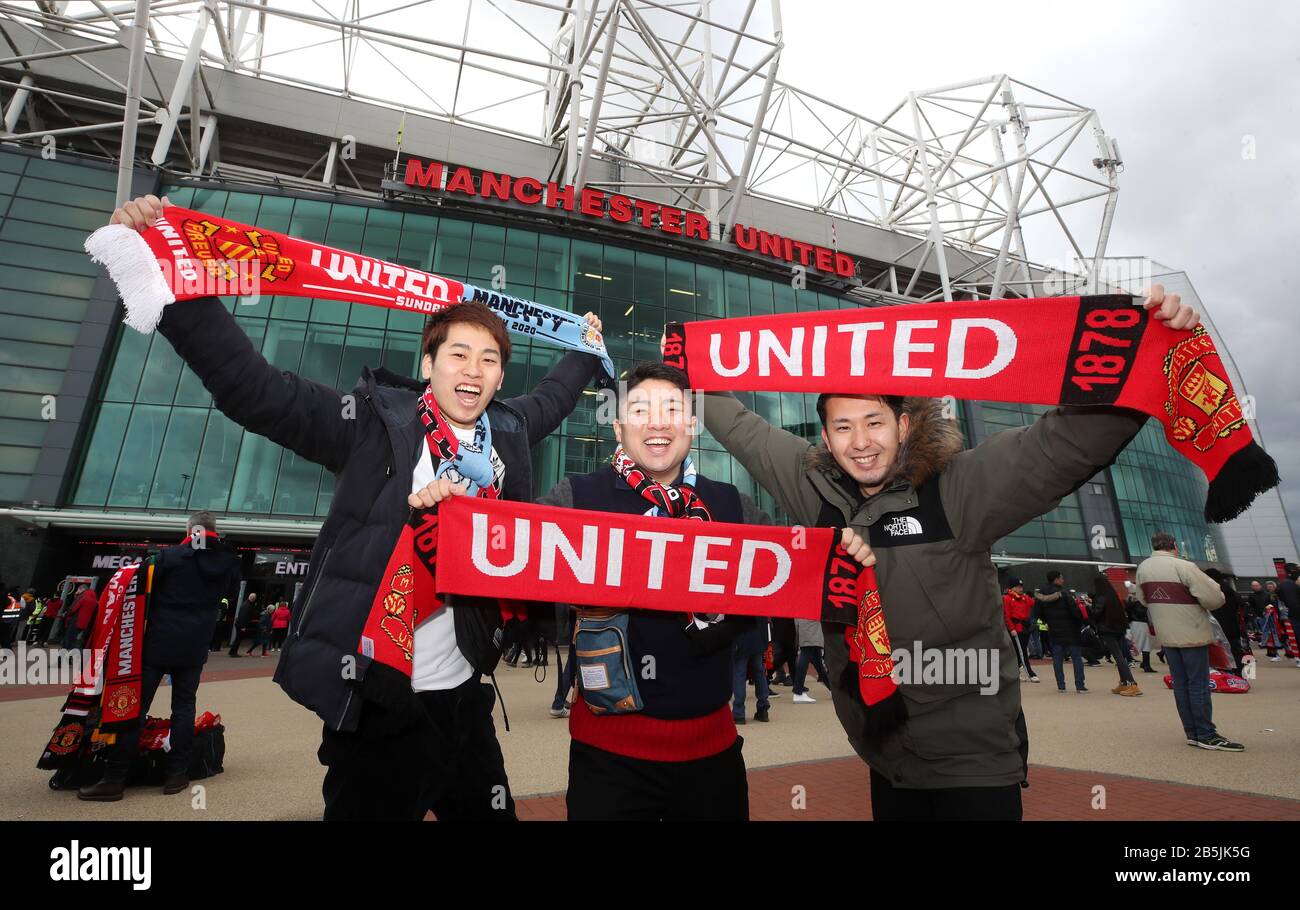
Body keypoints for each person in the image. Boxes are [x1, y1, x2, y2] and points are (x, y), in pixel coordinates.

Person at [112, 193, 607, 821]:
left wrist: (586, 348)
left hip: (462, 700)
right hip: (375, 701)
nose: (473, 370)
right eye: (458, 354)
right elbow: (257, 391)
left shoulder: (506, 433)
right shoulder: (370, 423)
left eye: (489, 361)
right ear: (428, 363)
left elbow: (556, 397)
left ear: (500, 379)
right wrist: (174, 278)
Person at [692, 287, 1198, 820]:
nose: (860, 441)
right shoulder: (812, 485)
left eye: (874, 422)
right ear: (826, 435)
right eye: (843, 427)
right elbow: (743, 430)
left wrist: (1146, 351)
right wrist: (688, 361)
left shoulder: (958, 487)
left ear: (904, 424)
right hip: (885, 754)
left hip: (972, 762)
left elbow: (1063, 444)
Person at [535, 362, 871, 819]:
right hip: (607, 759)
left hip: (711, 758)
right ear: (618, 426)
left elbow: (798, 568)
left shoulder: (733, 506)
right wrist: (450, 511)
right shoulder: (576, 497)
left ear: (692, 422)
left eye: (673, 408)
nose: (657, 422)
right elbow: (506, 547)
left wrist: (843, 548)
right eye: (640, 410)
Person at [78, 511, 242, 801]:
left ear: (191, 529)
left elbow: (140, 591)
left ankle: (114, 778)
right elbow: (225, 596)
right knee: (184, 707)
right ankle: (176, 774)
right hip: (195, 645)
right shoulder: (228, 561)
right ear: (213, 530)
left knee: (135, 707)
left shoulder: (169, 557)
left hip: (158, 641)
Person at [1134, 532, 1242, 752]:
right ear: (1173, 546)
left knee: (1181, 683)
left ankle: (1192, 731)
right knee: (1198, 683)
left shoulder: (1143, 568)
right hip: (1190, 630)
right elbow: (1213, 598)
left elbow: (1142, 599)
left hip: (1167, 633)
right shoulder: (1183, 566)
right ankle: (1206, 733)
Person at [1037, 572, 1088, 693]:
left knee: (1057, 658)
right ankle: (1080, 685)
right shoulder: (1065, 594)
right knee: (1076, 657)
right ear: (1056, 579)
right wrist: (1080, 622)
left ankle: (1061, 686)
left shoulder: (1041, 595)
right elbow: (1075, 612)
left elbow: (1038, 612)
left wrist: (1048, 621)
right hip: (1070, 630)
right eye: (1061, 578)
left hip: (1054, 630)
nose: (1063, 580)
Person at [1090, 575, 1140, 695]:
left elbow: (1096, 612)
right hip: (1118, 628)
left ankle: (1131, 684)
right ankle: (1123, 683)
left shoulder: (1100, 597)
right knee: (1120, 656)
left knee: (1118, 657)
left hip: (1107, 629)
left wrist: (1088, 607)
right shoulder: (1113, 596)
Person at [733, 617, 773, 725]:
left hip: (741, 636)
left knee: (739, 674)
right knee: (759, 672)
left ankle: (739, 713)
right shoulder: (760, 599)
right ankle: (763, 708)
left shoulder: (736, 599)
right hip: (758, 636)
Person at [1002, 578, 1039, 683]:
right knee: (1022, 651)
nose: (1020, 588)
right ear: (1012, 587)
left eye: (1021, 586)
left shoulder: (1025, 598)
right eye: (1018, 586)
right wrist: (1011, 628)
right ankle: (1030, 673)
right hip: (1016, 628)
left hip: (1025, 627)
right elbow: (1007, 615)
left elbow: (1035, 605)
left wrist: (1042, 598)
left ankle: (1015, 673)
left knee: (1019, 652)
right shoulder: (1007, 598)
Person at [792, 617, 832, 702]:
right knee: (806, 655)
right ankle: (798, 692)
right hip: (810, 625)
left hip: (808, 625)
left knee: (818, 661)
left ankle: (831, 688)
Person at [549, 603, 576, 718]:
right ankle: (558, 703)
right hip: (586, 615)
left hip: (574, 615)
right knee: (574, 660)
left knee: (573, 658)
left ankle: (559, 701)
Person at [1125, 584, 1156, 673]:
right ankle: (1146, 665)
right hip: (1141, 623)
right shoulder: (1140, 603)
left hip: (1135, 623)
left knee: (1142, 644)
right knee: (1145, 644)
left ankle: (1145, 664)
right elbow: (1142, 613)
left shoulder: (1130, 601)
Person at [62, 584, 98, 651]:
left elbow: (73, 609)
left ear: (81, 589)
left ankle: (62, 658)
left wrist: (66, 614)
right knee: (76, 641)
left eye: (78, 589)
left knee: (68, 641)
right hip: (85, 624)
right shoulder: (95, 600)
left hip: (75, 622)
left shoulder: (83, 596)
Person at [227, 592, 258, 657]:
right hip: (241, 625)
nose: (255, 599)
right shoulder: (247, 605)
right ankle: (233, 653)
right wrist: (242, 626)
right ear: (253, 598)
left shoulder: (246, 604)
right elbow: (243, 616)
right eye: (254, 598)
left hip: (239, 624)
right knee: (238, 639)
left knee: (237, 639)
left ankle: (232, 652)